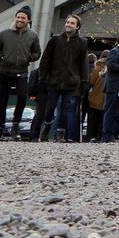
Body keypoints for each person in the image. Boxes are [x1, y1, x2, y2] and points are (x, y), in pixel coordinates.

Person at [0, 6, 41, 140]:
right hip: (4, 71)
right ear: (15, 18)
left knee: (23, 97)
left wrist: (29, 58)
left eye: (23, 18)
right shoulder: (4, 34)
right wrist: (0, 56)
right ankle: (0, 129)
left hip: (21, 72)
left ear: (28, 20)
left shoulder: (33, 36)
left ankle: (15, 126)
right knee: (2, 100)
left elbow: (37, 52)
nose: (20, 19)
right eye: (18, 17)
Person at [36, 14, 89, 142]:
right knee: (50, 108)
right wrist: (42, 77)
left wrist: (84, 82)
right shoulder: (55, 40)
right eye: (67, 22)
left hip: (71, 81)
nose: (68, 24)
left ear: (77, 26)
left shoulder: (82, 42)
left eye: (72, 23)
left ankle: (61, 133)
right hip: (54, 80)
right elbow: (45, 60)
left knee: (66, 110)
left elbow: (83, 64)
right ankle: (47, 127)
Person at [85, 52, 106, 142]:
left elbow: (91, 82)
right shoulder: (109, 68)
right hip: (105, 97)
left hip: (95, 97)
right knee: (103, 118)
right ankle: (101, 136)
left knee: (93, 119)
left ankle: (91, 136)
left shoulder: (97, 68)